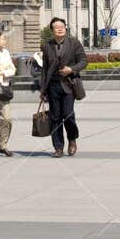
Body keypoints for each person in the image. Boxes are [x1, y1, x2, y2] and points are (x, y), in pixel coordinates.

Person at [40, 17, 84, 157]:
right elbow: (45, 69)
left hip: (68, 85)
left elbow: (83, 61)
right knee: (55, 117)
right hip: (53, 86)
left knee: (68, 114)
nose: (60, 28)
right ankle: (58, 147)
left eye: (62, 26)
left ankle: (72, 138)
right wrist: (43, 90)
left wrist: (71, 69)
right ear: (52, 30)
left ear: (65, 28)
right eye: (56, 27)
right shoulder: (47, 45)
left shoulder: (74, 43)